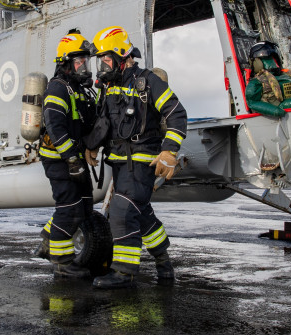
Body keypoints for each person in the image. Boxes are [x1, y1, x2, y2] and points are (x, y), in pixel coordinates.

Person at [88, 26, 188, 289]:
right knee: (141, 213)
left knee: (121, 211)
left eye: (106, 58)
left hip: (143, 162)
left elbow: (177, 114)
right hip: (120, 162)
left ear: (122, 55)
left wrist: (169, 151)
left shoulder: (149, 82)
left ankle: (123, 272)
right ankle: (164, 262)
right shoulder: (108, 85)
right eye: (101, 60)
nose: (103, 64)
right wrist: (92, 146)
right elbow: (104, 121)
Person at [39, 30, 99, 278]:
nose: (84, 65)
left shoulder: (80, 90)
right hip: (59, 160)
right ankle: (62, 262)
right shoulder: (58, 88)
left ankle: (47, 239)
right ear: (65, 63)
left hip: (73, 159)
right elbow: (55, 126)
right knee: (70, 209)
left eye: (85, 60)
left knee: (83, 207)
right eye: (79, 60)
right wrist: (72, 159)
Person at [244, 41, 291, 118]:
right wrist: (274, 110)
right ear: (257, 62)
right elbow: (252, 102)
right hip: (280, 107)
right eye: (267, 59)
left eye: (273, 58)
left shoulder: (285, 75)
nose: (272, 62)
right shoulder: (257, 82)